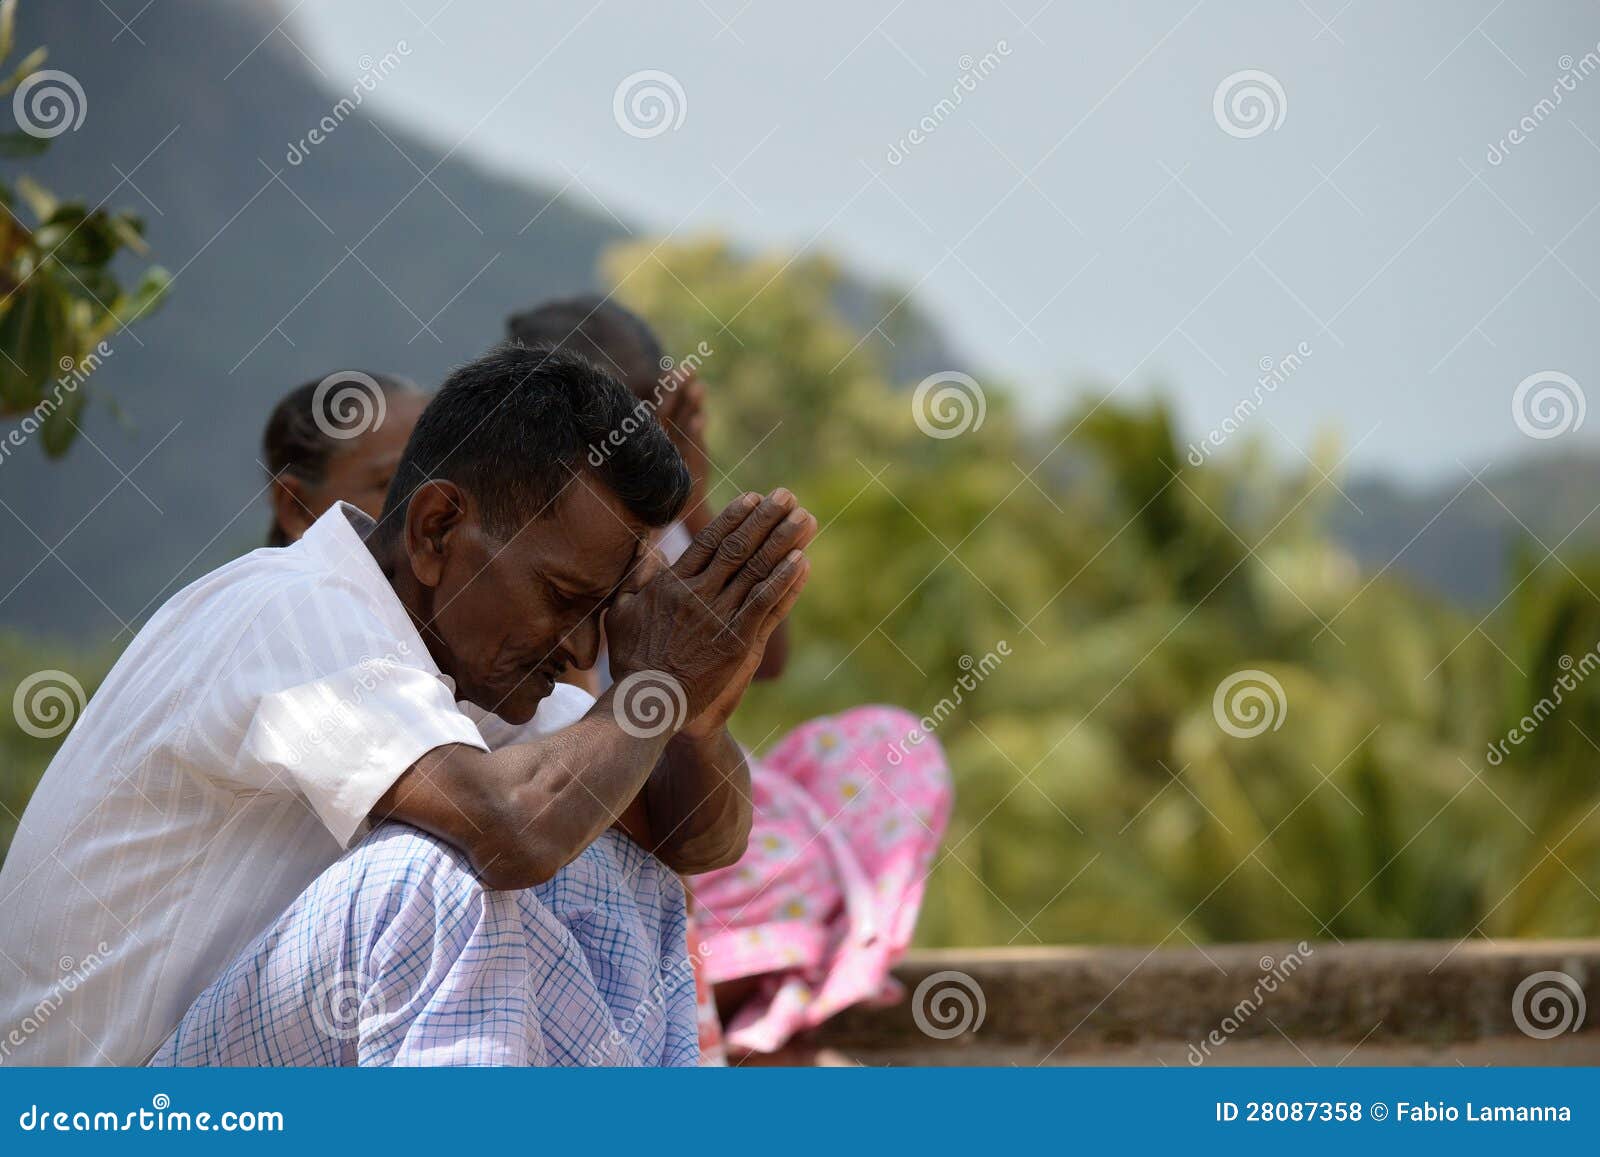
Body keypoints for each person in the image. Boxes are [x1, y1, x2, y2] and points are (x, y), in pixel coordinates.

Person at [0, 345, 815, 1065]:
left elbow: (693, 839)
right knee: (436, 877)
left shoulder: (479, 673)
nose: (579, 646)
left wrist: (691, 710)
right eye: (561, 595)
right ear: (436, 528)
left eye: (601, 611)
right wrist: (657, 686)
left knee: (614, 863)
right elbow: (512, 830)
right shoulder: (291, 609)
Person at [508, 298, 953, 1056]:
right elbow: (569, 731)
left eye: (647, 403)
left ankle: (776, 990)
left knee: (890, 746)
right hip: (605, 812)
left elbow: (766, 662)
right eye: (614, 406)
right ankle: (752, 999)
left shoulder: (660, 492)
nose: (633, 425)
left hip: (694, 788)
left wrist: (693, 488)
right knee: (713, 884)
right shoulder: (535, 517)